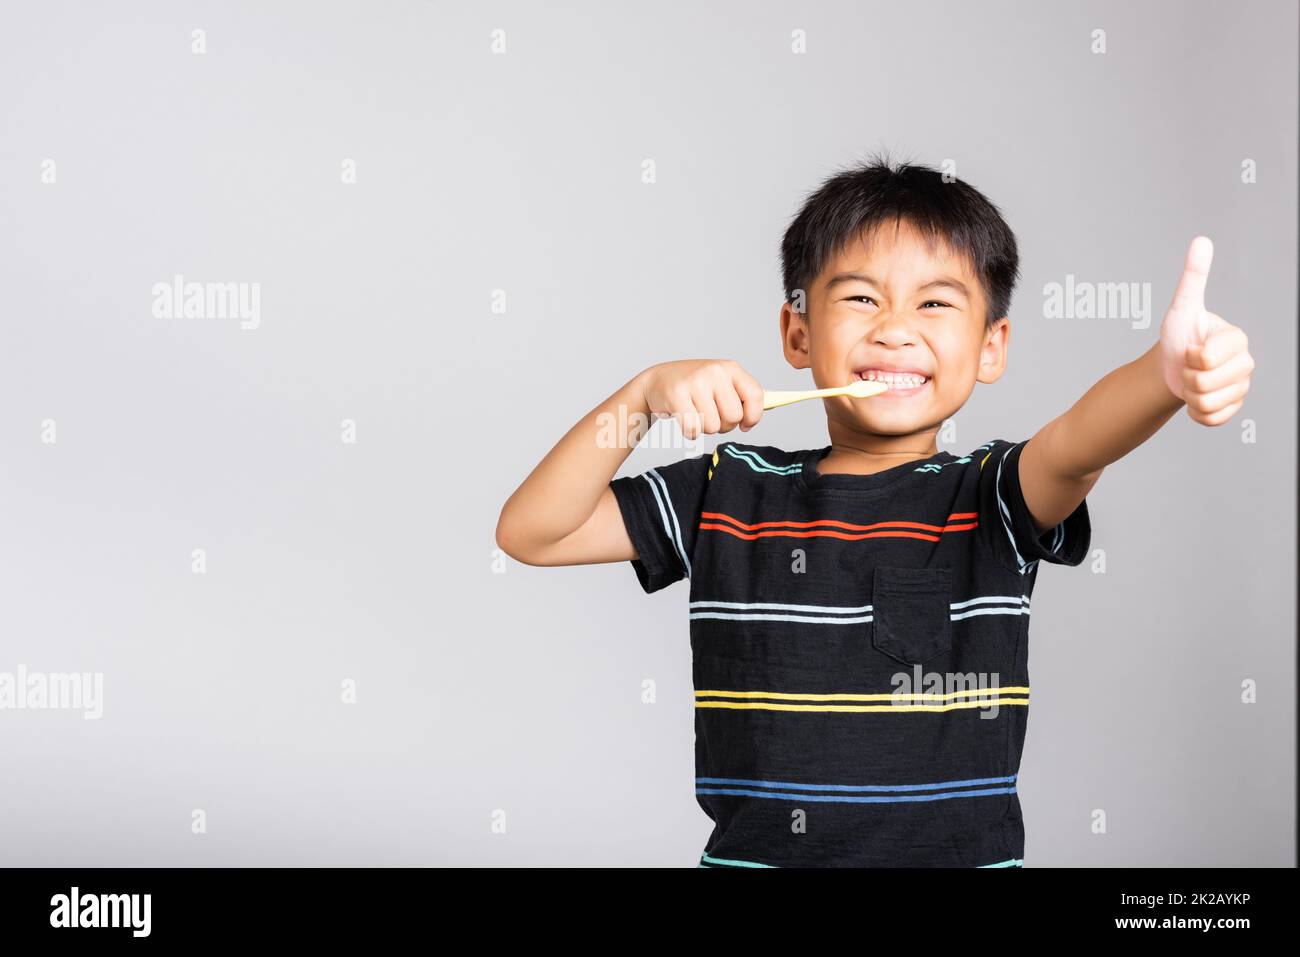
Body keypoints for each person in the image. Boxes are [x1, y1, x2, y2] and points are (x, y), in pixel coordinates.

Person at [494, 156, 1254, 867]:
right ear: (797, 332)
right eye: (860, 297)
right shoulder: (728, 487)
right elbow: (533, 529)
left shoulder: (993, 492)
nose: (894, 327)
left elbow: (1077, 444)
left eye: (934, 302)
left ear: (992, 348)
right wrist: (642, 395)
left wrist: (1163, 376)